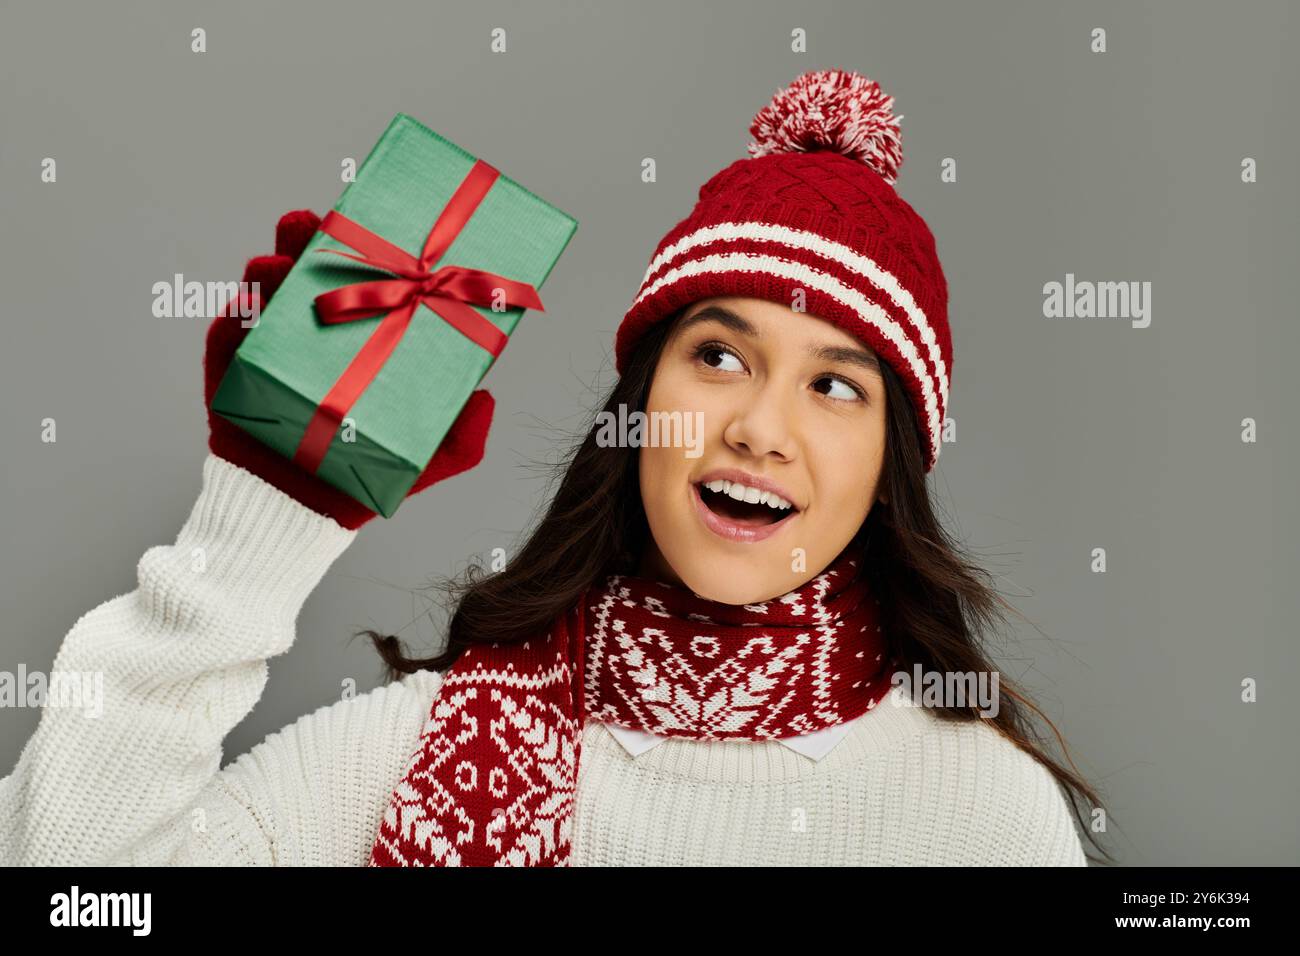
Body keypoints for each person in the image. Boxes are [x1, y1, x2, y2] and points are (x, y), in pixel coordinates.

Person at [0, 68, 1109, 866]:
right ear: (641, 406)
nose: (760, 428)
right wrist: (259, 520)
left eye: (835, 385)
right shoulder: (412, 749)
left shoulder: (979, 810)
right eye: (718, 354)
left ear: (888, 467)